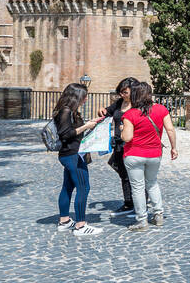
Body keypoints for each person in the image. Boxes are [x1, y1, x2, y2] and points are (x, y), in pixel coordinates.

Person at [118, 81, 178, 231]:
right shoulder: (161, 109)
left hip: (134, 154)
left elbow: (126, 138)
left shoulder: (130, 114)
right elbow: (170, 130)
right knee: (152, 182)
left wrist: (122, 128)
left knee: (138, 187)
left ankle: (142, 220)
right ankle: (158, 215)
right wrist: (174, 148)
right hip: (154, 154)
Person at [53, 82, 105, 236]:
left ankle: (65, 221)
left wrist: (92, 123)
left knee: (68, 187)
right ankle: (81, 225)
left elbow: (71, 131)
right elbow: (66, 134)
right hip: (72, 155)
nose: (86, 99)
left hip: (70, 154)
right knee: (83, 187)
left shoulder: (68, 111)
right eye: (84, 96)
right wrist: (85, 127)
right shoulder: (65, 111)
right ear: (75, 97)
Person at [98, 77, 140, 214]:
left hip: (134, 145)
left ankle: (141, 203)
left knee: (136, 175)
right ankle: (128, 203)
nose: (122, 95)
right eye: (120, 92)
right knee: (123, 173)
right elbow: (108, 112)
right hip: (119, 144)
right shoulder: (119, 103)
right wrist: (102, 111)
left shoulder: (139, 105)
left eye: (125, 92)